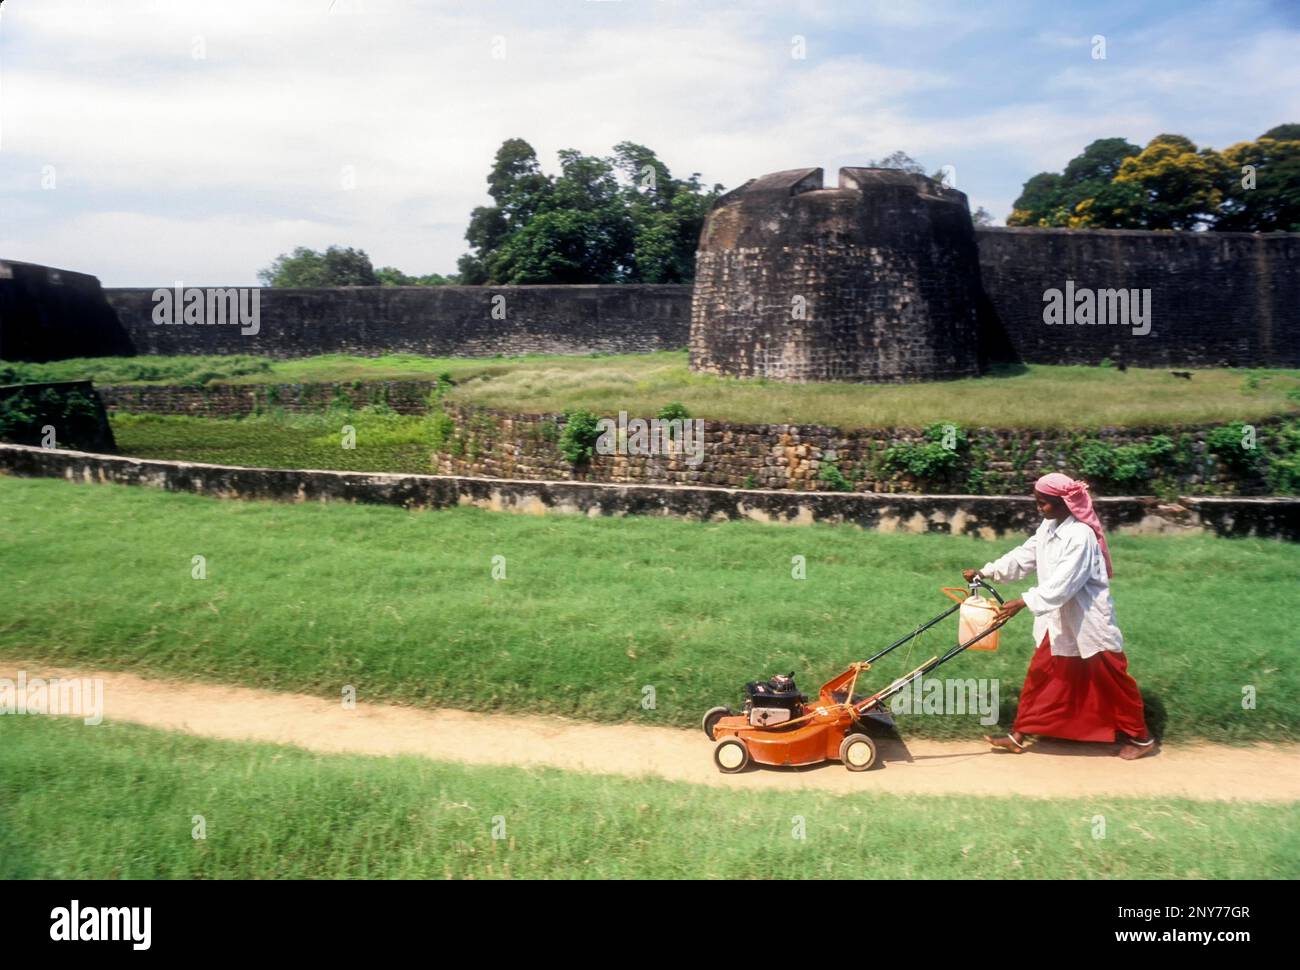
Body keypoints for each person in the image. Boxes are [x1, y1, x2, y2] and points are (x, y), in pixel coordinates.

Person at [964, 473, 1157, 760]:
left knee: (1111, 679)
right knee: (1041, 676)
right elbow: (1024, 556)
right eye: (1038, 502)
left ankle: (1142, 739)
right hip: (1058, 620)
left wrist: (1024, 601)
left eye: (1044, 503)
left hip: (1089, 621)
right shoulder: (1048, 527)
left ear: (1065, 502)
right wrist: (987, 571)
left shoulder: (1081, 536)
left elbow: (1066, 582)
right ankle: (1018, 735)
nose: (1039, 508)